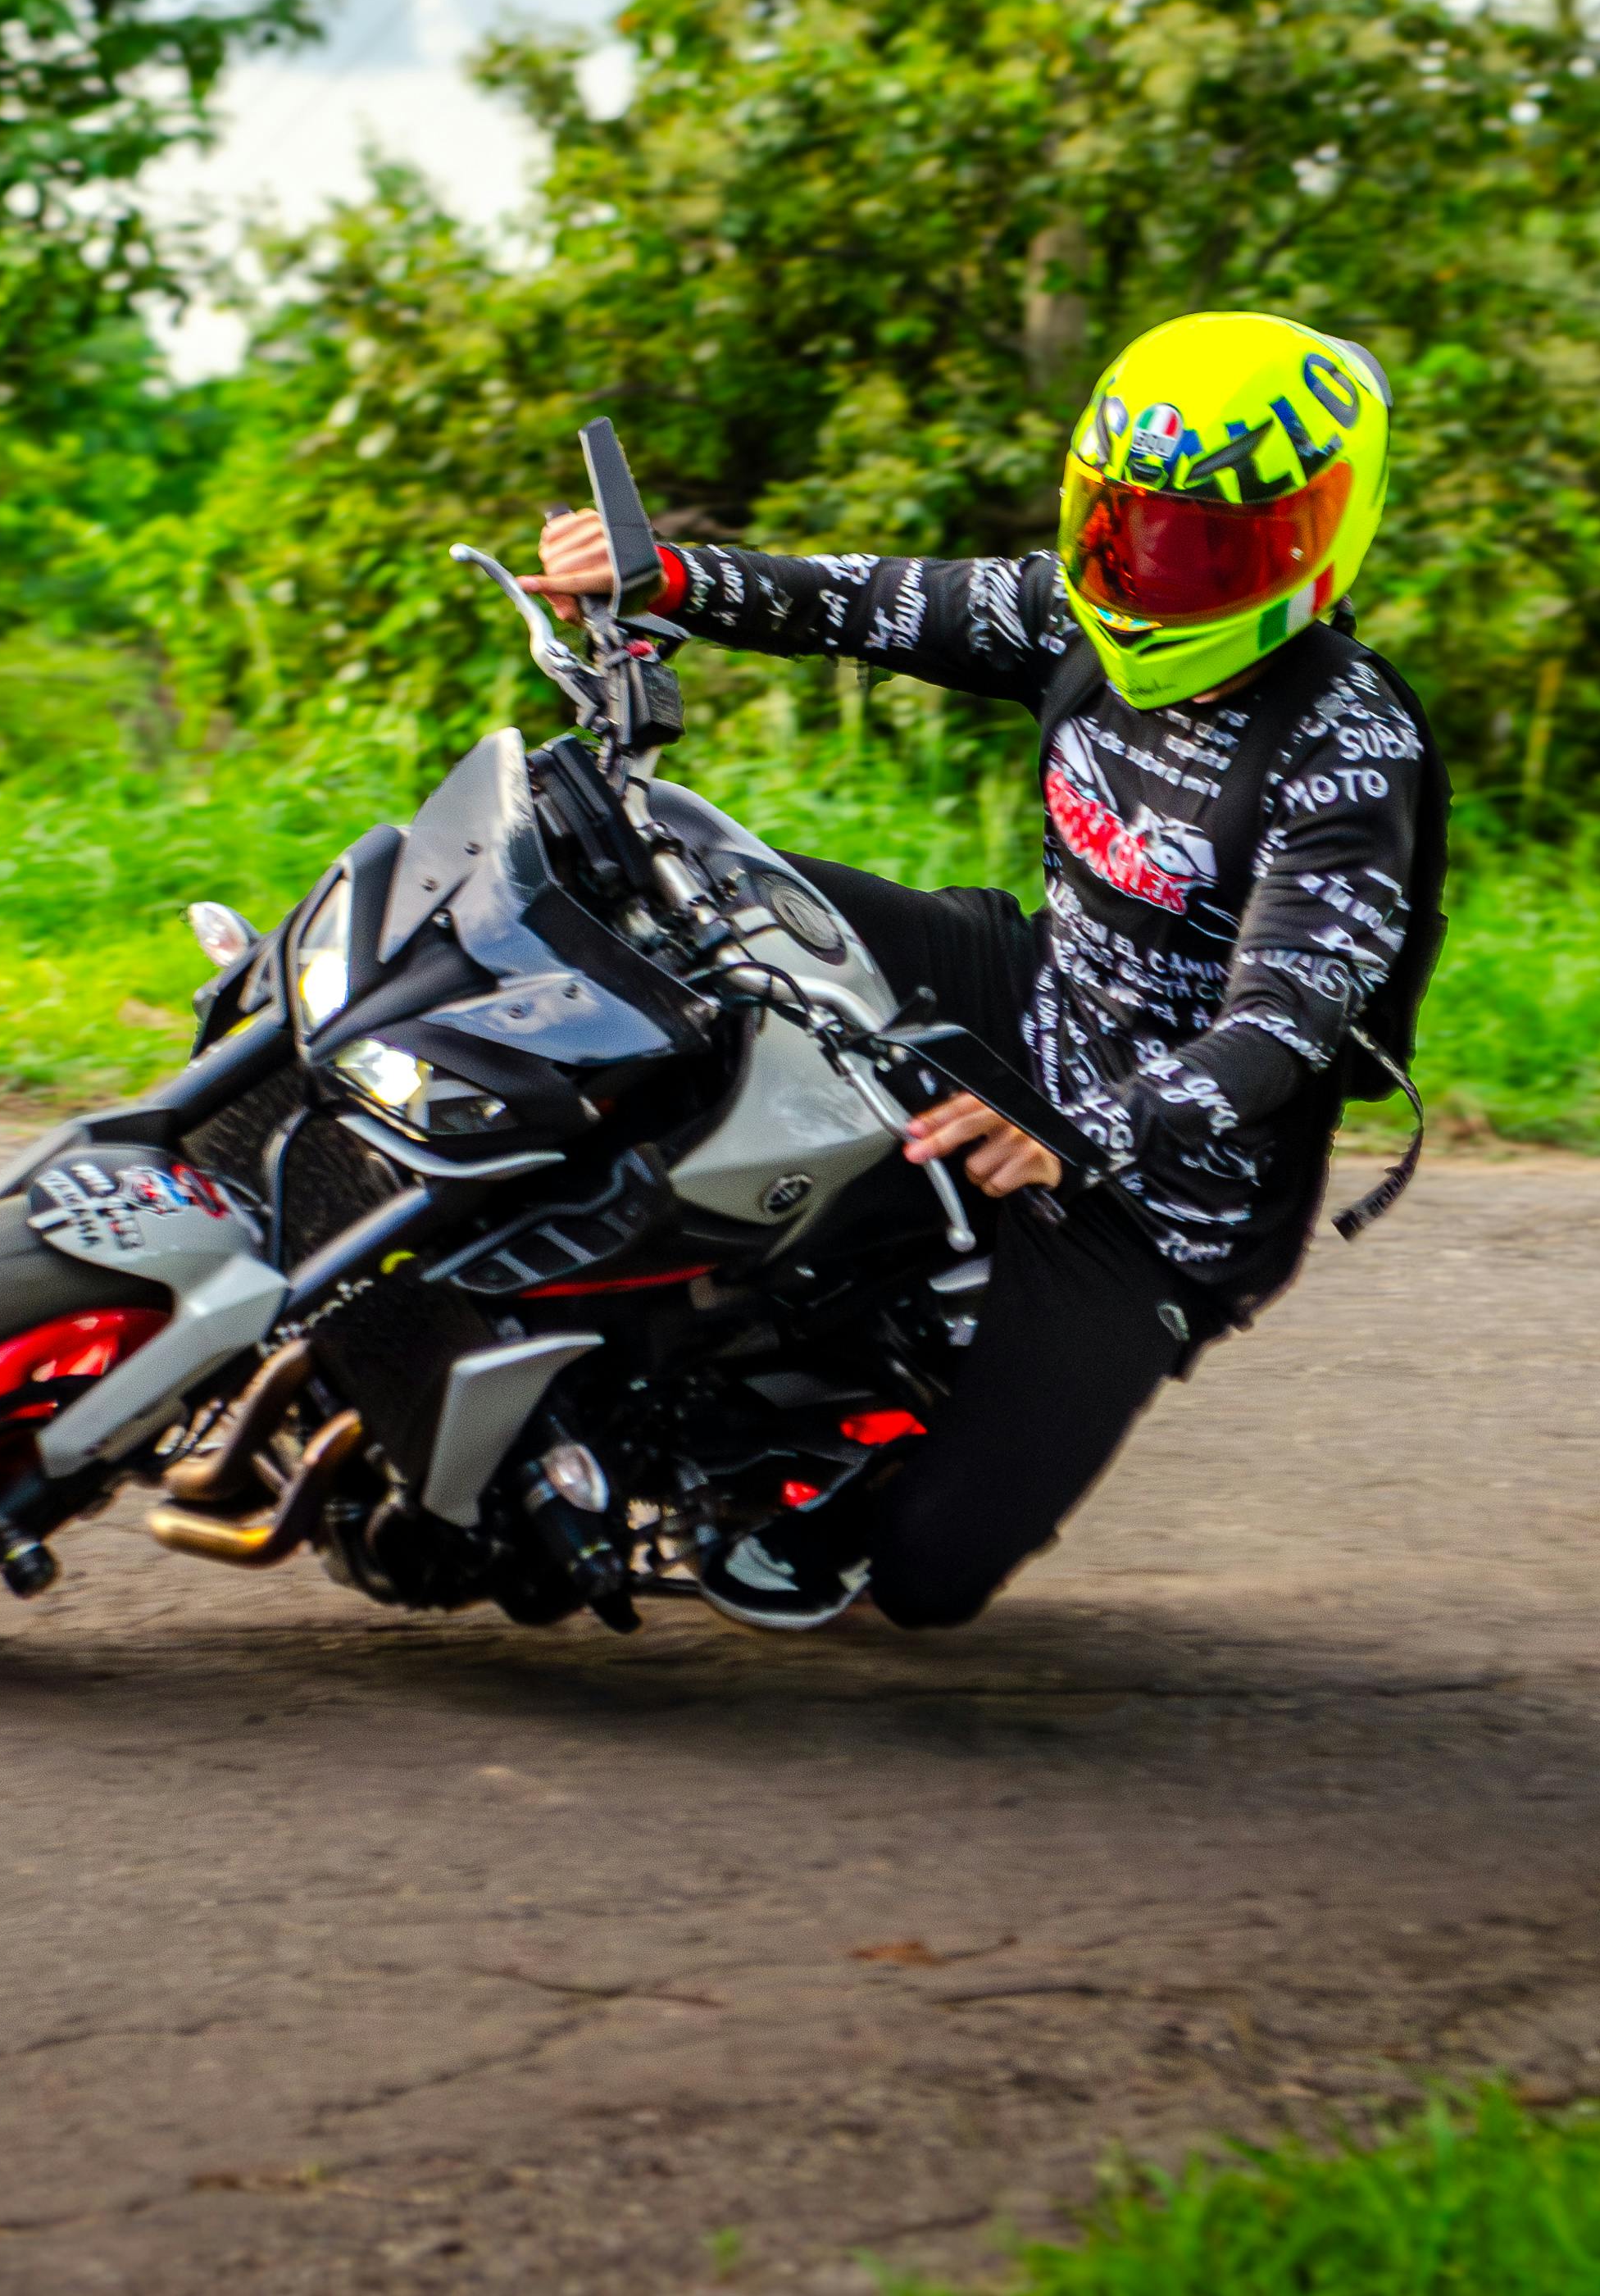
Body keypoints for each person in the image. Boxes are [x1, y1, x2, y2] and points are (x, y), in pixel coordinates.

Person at [526, 308, 1445, 1634]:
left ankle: (864, 1429)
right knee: (665, 888)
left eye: (1207, 547)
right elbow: (867, 601)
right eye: (1124, 526)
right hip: (1030, 989)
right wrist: (668, 576)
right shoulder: (1074, 603)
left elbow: (1282, 1031)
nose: (1150, 574)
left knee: (924, 1581)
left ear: (1320, 539)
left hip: (1162, 1188)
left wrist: (1080, 1131)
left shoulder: (1345, 744)